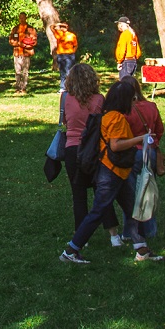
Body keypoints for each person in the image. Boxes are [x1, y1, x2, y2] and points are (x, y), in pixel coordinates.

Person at [60, 80, 157, 264]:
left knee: (131, 209)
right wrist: (141, 138)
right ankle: (72, 250)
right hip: (111, 173)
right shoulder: (118, 119)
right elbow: (116, 145)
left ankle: (141, 248)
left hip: (114, 171)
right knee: (97, 212)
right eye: (132, 99)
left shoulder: (107, 115)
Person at [62, 63, 119, 241]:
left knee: (78, 194)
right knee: (101, 191)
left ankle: (81, 238)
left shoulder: (65, 97)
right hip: (93, 149)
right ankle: (114, 235)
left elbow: (64, 120)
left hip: (71, 148)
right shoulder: (99, 99)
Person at [122, 74, 163, 254]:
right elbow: (159, 130)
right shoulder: (151, 107)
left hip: (132, 153)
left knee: (130, 194)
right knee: (148, 190)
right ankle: (150, 228)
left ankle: (131, 232)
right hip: (150, 151)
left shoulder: (124, 111)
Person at [10, 14, 34, 93]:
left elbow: (34, 41)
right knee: (17, 71)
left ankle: (23, 88)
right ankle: (18, 87)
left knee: (25, 71)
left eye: (23, 18)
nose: (22, 19)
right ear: (19, 19)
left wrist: (27, 45)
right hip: (17, 53)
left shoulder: (31, 29)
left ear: (26, 18)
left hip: (26, 53)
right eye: (20, 18)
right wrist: (18, 44)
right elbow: (11, 40)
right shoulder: (15, 29)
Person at [53, 22, 79, 93]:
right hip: (60, 55)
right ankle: (62, 87)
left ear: (67, 27)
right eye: (62, 27)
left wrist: (73, 52)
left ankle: (70, 87)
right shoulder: (58, 34)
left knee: (68, 71)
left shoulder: (72, 35)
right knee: (62, 71)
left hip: (69, 55)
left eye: (64, 26)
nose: (63, 28)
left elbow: (75, 45)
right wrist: (58, 24)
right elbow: (51, 27)